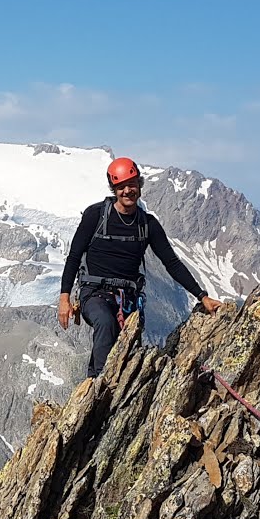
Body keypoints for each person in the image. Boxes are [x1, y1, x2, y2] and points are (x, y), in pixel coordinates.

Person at [58, 156, 222, 378]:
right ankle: (100, 386)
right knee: (105, 323)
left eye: (132, 185)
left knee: (123, 349)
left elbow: (171, 263)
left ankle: (92, 387)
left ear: (140, 186)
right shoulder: (95, 216)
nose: (127, 191)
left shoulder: (148, 224)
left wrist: (202, 296)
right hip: (93, 293)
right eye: (121, 187)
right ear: (114, 189)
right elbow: (74, 256)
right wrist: (64, 298)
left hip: (127, 299)